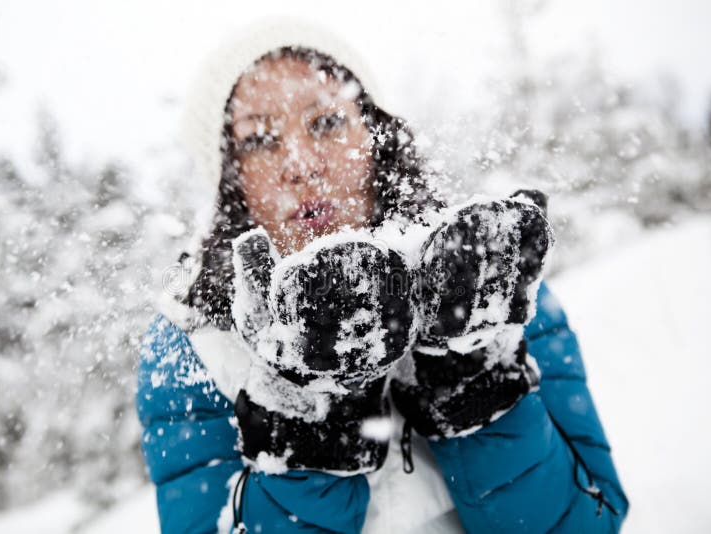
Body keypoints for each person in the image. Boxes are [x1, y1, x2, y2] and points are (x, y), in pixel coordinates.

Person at [136, 22, 628, 533]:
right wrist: (307, 425)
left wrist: (472, 380)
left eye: (325, 122)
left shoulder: (486, 284)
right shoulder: (193, 346)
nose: (300, 166)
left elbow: (590, 521)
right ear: (230, 180)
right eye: (260, 140)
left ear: (375, 137)